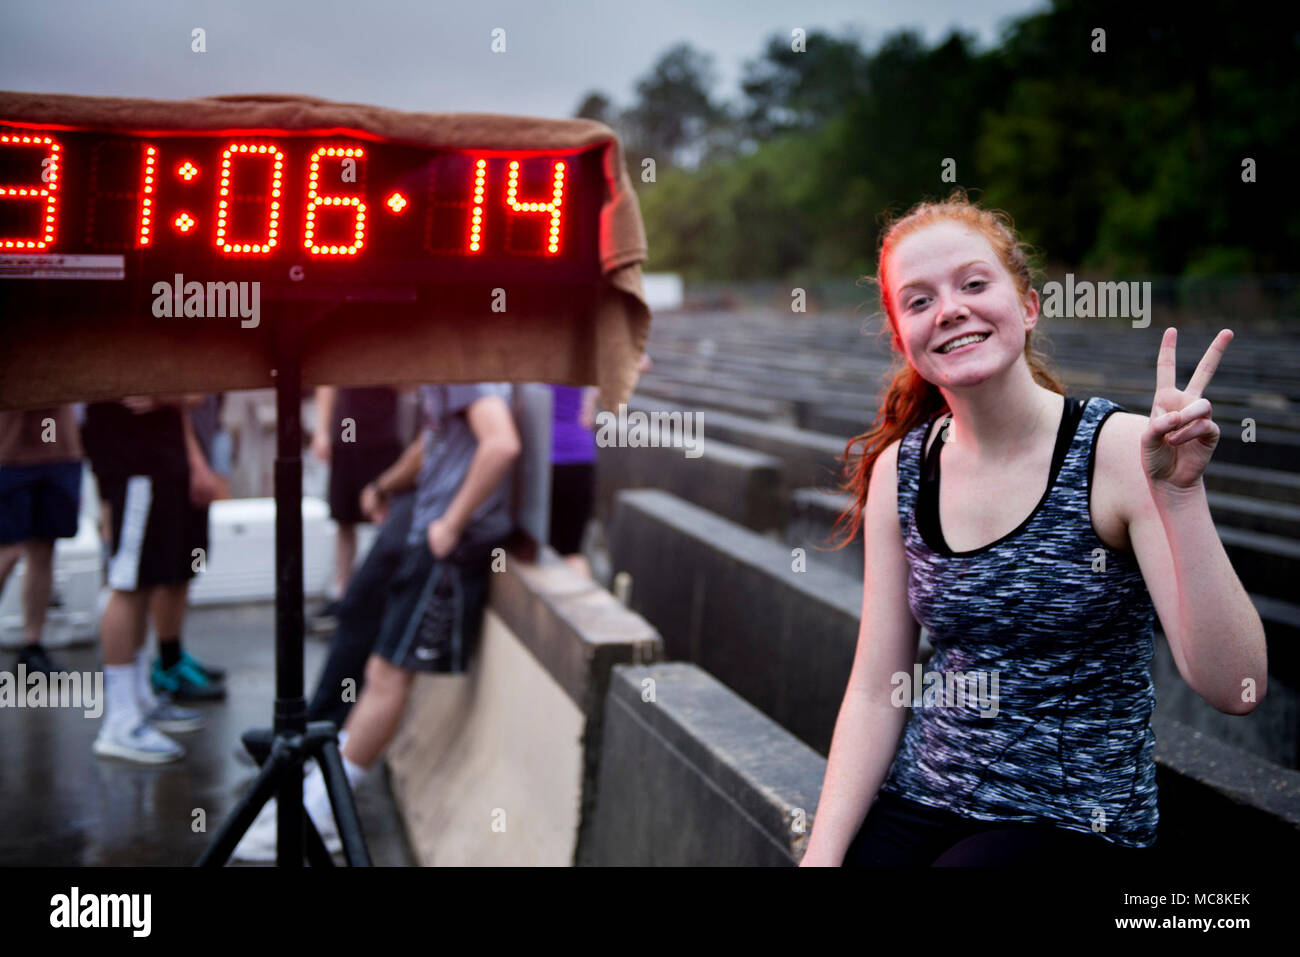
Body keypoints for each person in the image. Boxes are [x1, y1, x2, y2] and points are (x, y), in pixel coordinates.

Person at [801, 190, 1267, 867]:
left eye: (973, 282)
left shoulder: (1121, 451)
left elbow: (1237, 688)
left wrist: (1181, 494)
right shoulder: (901, 471)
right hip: (924, 797)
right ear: (903, 336)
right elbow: (877, 687)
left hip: (1073, 820)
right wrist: (822, 852)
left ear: (1027, 304)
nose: (950, 308)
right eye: (920, 299)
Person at [233, 383, 520, 858]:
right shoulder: (450, 372)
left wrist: (450, 524)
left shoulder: (466, 369)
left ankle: (321, 814)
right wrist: (389, 486)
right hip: (428, 534)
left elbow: (502, 443)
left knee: (387, 675)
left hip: (448, 547)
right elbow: (433, 443)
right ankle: (316, 801)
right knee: (378, 669)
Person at [82, 395, 224, 763]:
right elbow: (191, 392)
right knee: (127, 583)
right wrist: (173, 393)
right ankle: (120, 721)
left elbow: (190, 393)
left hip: (157, 457)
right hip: (134, 460)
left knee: (145, 582)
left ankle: (140, 699)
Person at [0, 404, 84, 674]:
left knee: (44, 549)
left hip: (59, 451)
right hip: (8, 451)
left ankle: (32, 646)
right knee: (10, 551)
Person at [312, 386, 405, 619]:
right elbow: (327, 383)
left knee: (385, 521)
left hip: (384, 437)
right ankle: (344, 598)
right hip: (345, 436)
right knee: (343, 518)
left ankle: (380, 597)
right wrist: (321, 431)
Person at [548, 384, 599, 577]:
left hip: (544, 459)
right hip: (580, 458)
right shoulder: (585, 353)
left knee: (546, 549)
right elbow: (639, 362)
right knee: (572, 552)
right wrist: (593, 392)